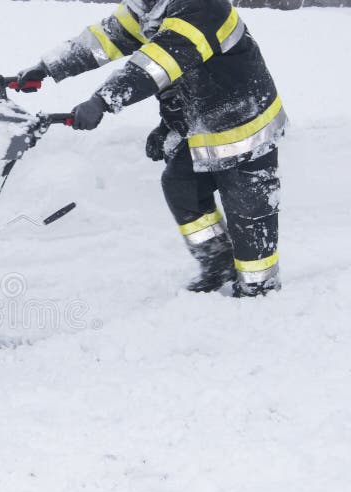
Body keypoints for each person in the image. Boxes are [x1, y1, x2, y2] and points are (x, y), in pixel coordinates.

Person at [15, 0, 286, 297]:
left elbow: (159, 62)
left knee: (248, 212)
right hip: (203, 121)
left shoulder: (202, 6)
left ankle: (260, 287)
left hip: (245, 122)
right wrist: (46, 68)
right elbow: (105, 38)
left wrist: (102, 101)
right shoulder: (151, 6)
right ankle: (217, 263)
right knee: (181, 185)